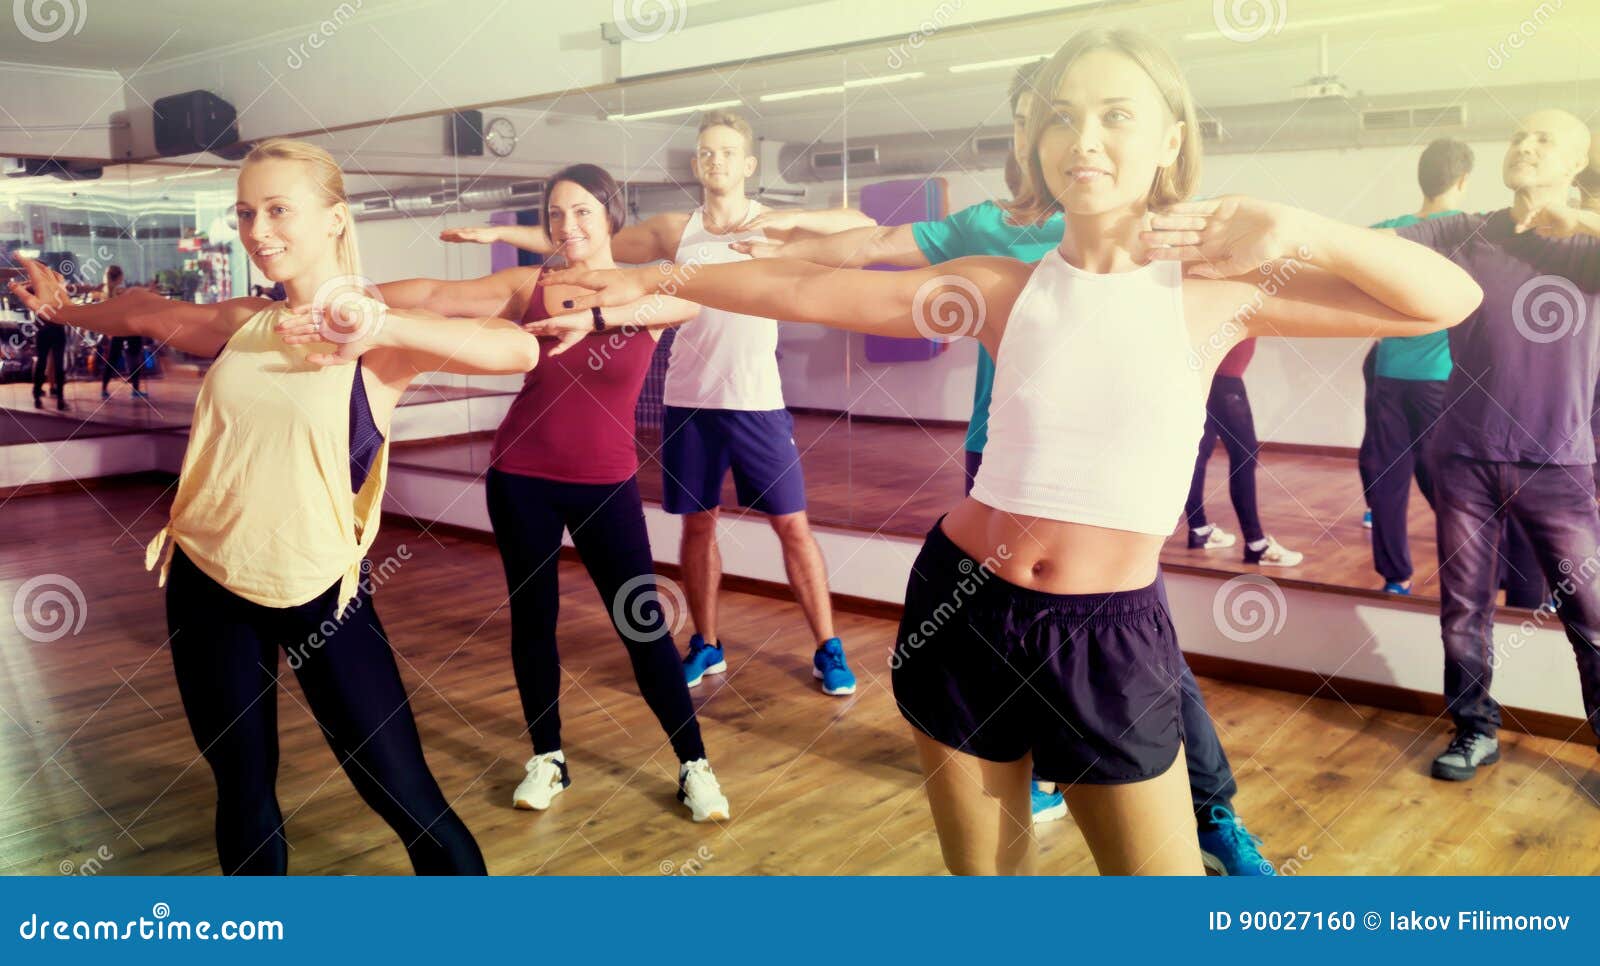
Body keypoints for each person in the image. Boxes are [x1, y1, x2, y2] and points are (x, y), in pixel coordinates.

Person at [540, 28, 1481, 874]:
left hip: (1109, 634)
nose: (1084, 139)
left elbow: (1446, 301)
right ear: (1035, 140)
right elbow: (803, 289)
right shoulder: (1000, 287)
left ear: (1171, 140)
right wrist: (644, 277)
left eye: (1117, 114)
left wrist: (1302, 229)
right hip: (964, 609)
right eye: (1061, 116)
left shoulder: (1217, 289)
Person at [728, 61, 1272, 874]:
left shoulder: (1169, 249)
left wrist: (1283, 230)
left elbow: (1424, 296)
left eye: (1101, 116)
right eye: (1047, 120)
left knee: (1133, 640)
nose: (1067, 138)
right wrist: (789, 236)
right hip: (1003, 466)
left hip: (1115, 511)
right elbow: (874, 248)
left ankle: (1208, 806)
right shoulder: (990, 229)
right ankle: (1044, 752)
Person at [7, 138, 542, 875]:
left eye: (279, 210)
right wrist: (68, 309)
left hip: (318, 587)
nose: (257, 231)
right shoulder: (245, 322)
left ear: (334, 218)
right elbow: (145, 311)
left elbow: (517, 350)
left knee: (406, 797)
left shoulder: (381, 332)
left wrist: (375, 324)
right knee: (243, 790)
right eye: (245, 213)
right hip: (205, 578)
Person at [441, 111, 876, 697]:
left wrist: (787, 218)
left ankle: (828, 647)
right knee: (698, 527)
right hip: (689, 400)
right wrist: (502, 236)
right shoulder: (676, 230)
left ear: (749, 164)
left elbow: (863, 226)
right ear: (696, 163)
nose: (715, 161)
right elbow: (587, 239)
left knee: (792, 526)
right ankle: (707, 643)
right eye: (706, 152)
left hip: (756, 400)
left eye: (727, 152)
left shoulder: (776, 230)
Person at [379, 164, 731, 822]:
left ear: (611, 215)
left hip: (606, 483)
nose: (568, 226)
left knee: (641, 624)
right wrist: (352, 297)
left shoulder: (644, 285)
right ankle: (548, 757)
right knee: (533, 621)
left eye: (582, 211)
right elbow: (435, 292)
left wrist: (596, 317)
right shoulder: (530, 285)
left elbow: (692, 301)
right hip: (522, 476)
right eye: (556, 215)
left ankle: (694, 764)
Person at [1387, 110, 1600, 783]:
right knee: (1463, 611)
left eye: (1543, 139)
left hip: (1559, 462)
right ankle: (1474, 730)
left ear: (1576, 163)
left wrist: (1581, 218)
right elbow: (1378, 246)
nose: (1524, 146)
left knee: (1591, 617)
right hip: (1464, 456)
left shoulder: (1586, 244)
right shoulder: (1466, 231)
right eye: (1517, 137)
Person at [1361, 139, 1473, 594]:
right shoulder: (1471, 231)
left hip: (1389, 374)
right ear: (1463, 180)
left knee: (1388, 477)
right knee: (1445, 479)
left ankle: (1395, 577)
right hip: (1438, 381)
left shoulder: (1388, 230)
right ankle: (1477, 566)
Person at [1184, 337, 1303, 566]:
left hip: (1209, 376)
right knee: (1244, 456)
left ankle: (1199, 529)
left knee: (1201, 451)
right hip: (1223, 379)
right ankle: (1256, 545)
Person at [92, 265, 149, 400]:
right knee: (134, 357)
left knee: (112, 359)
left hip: (117, 329)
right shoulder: (119, 290)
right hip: (129, 327)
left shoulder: (106, 292)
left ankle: (104, 390)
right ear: (119, 277)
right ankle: (135, 390)